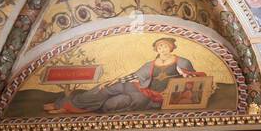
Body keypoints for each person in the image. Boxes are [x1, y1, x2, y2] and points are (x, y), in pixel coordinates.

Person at [44, 37, 206, 114]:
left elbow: (192, 81)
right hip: (142, 88)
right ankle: (64, 104)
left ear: (171, 48)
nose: (162, 49)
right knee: (107, 88)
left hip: (155, 98)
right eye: (159, 47)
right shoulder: (151, 64)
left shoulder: (182, 62)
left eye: (165, 46)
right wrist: (115, 79)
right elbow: (134, 75)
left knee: (113, 104)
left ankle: (79, 109)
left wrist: (185, 78)